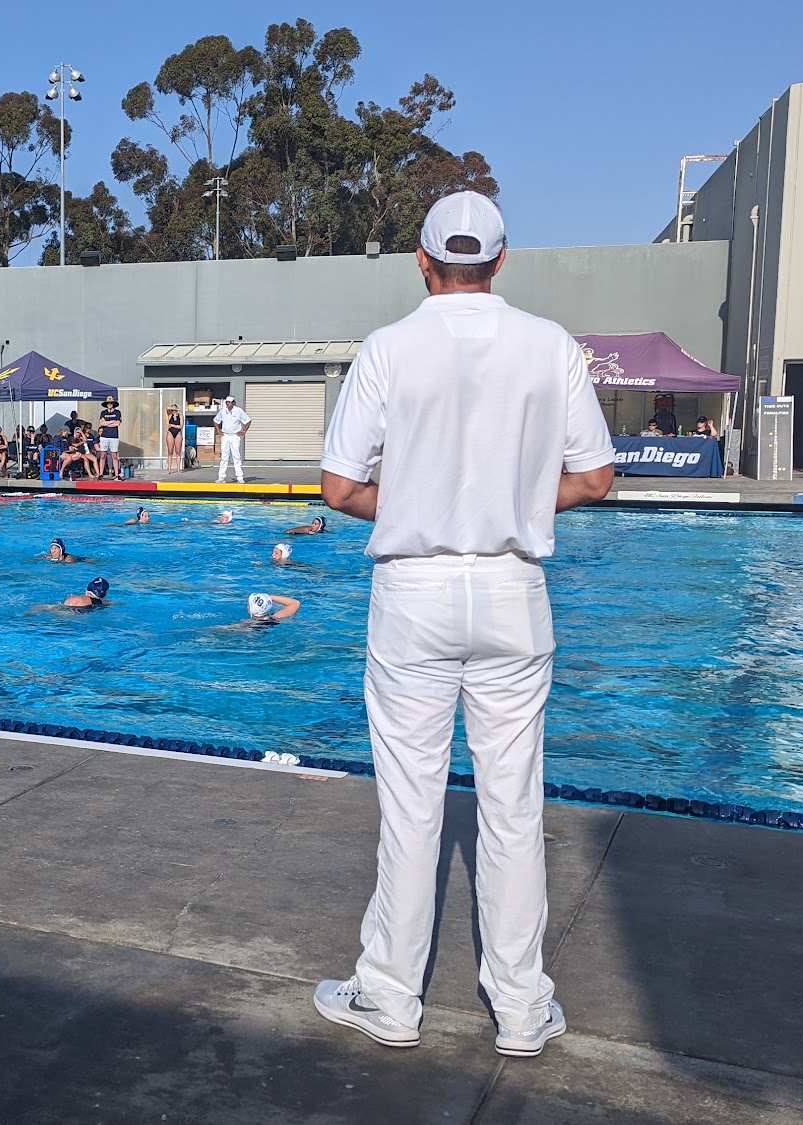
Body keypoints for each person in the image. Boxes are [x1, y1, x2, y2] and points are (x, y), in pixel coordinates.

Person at [314, 191, 614, 1059]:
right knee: (512, 806)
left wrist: (411, 501)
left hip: (415, 592)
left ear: (421, 260)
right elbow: (595, 478)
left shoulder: (388, 349)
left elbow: (337, 489)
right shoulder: (550, 346)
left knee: (412, 805)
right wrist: (518, 500)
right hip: (515, 592)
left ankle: (392, 995)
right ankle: (521, 1007)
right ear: (502, 260)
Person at [212, 395, 252, 483]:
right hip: (225, 435)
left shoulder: (238, 411)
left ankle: (240, 477)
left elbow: (248, 421)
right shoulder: (223, 411)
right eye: (227, 402)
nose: (228, 404)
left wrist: (244, 431)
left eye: (229, 402)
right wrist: (219, 431)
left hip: (234, 436)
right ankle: (221, 477)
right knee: (224, 457)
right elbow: (215, 421)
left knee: (236, 456)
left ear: (233, 403)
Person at [227, 592, 301, 627]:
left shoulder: (248, 625)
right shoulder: (277, 618)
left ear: (251, 610)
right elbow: (295, 603)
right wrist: (270, 597)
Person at [98, 396, 124, 480]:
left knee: (114, 455)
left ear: (113, 404)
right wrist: (112, 421)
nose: (109, 404)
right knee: (103, 455)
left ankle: (116, 475)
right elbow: (101, 423)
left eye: (111, 403)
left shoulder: (117, 412)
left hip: (114, 436)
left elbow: (117, 423)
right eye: (108, 403)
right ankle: (100, 474)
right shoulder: (103, 412)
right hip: (104, 436)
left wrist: (107, 423)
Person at [165, 404, 185, 472]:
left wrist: (172, 425)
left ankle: (178, 469)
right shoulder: (170, 415)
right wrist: (172, 409)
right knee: (170, 451)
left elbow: (181, 426)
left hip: (178, 433)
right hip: (170, 433)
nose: (173, 411)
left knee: (178, 452)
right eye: (172, 410)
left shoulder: (181, 416)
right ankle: (169, 469)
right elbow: (167, 408)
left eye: (175, 409)